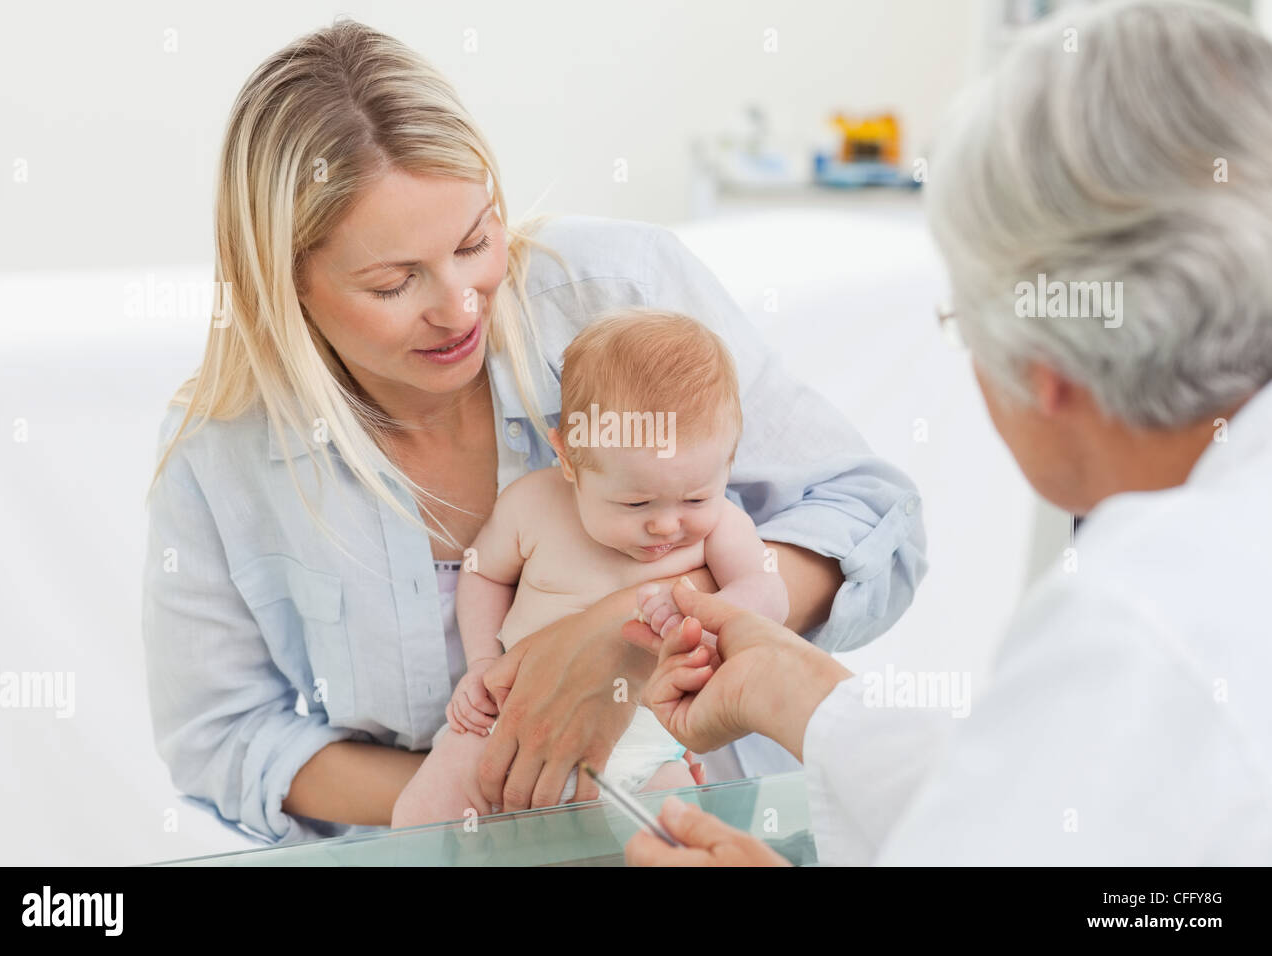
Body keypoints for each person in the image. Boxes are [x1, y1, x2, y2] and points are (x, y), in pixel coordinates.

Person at [140, 19, 927, 845]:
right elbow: (220, 736)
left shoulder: (623, 296)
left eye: (475, 241)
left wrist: (628, 633)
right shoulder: (220, 452)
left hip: (716, 832)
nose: (461, 307)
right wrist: (509, 771)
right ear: (285, 284)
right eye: (393, 281)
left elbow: (873, 520)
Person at [624, 0, 1272, 866]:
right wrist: (800, 690)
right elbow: (1051, 815)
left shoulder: (1141, 613)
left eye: (960, 320)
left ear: (1045, 369)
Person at [390, 310, 790, 827]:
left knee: (679, 840)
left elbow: (766, 589)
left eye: (695, 496)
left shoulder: (720, 527)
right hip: (507, 721)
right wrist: (481, 663)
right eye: (635, 504)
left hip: (647, 739)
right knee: (418, 818)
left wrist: (705, 613)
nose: (667, 526)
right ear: (569, 460)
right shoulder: (532, 506)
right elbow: (483, 573)